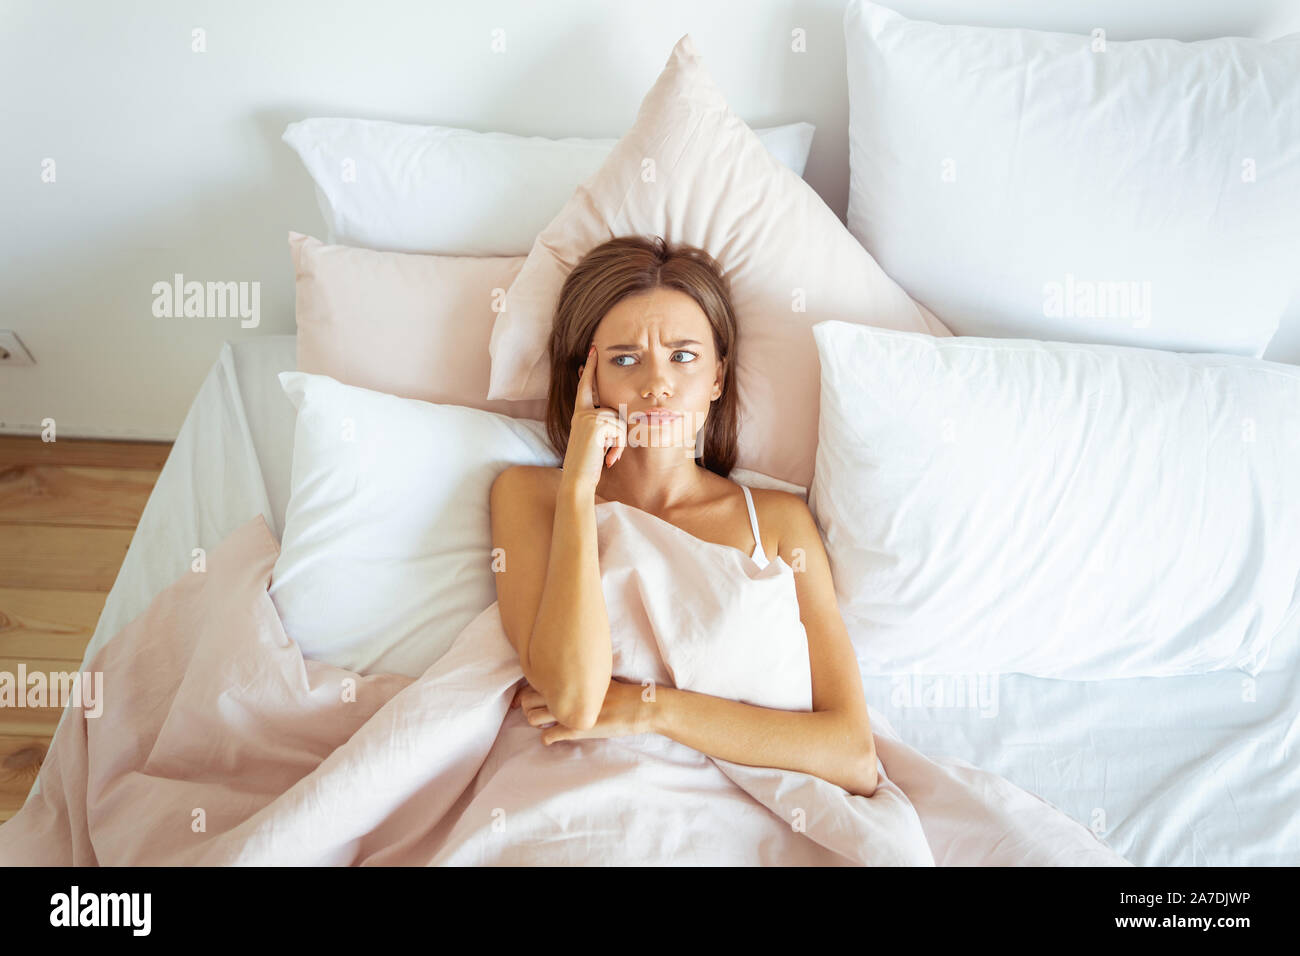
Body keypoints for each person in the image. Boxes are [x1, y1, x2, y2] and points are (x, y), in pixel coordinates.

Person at [489, 235, 879, 798]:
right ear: (587, 379)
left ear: (717, 378)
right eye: (625, 360)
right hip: (585, 802)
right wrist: (579, 487)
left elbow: (852, 754)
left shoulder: (778, 523)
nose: (657, 384)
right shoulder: (530, 496)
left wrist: (649, 709)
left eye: (683, 356)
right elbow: (574, 700)